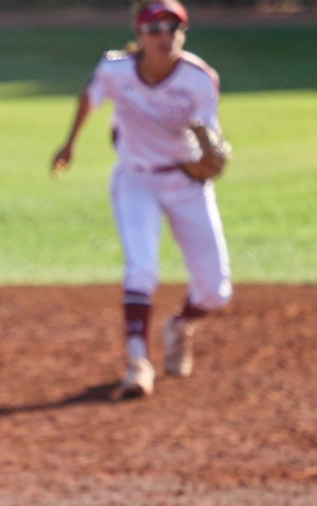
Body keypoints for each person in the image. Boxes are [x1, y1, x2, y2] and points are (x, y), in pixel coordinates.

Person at [51, 0, 232, 400]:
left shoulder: (199, 79)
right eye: (155, 29)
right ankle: (138, 363)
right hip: (136, 180)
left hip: (186, 183)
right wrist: (69, 144)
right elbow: (90, 96)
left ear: (182, 33)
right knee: (141, 270)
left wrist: (211, 154)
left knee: (215, 293)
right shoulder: (116, 71)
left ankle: (181, 325)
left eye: (173, 28)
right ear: (139, 33)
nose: (164, 36)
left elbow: (212, 140)